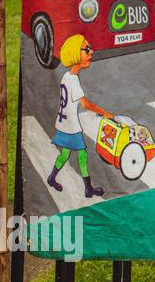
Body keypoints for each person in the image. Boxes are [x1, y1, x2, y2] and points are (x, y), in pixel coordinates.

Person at [46, 34, 109, 198]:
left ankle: (52, 177)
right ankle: (88, 188)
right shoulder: (73, 80)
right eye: (86, 49)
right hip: (71, 126)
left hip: (63, 123)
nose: (91, 51)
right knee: (82, 154)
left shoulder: (66, 77)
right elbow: (85, 104)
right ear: (75, 53)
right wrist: (104, 113)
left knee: (65, 154)